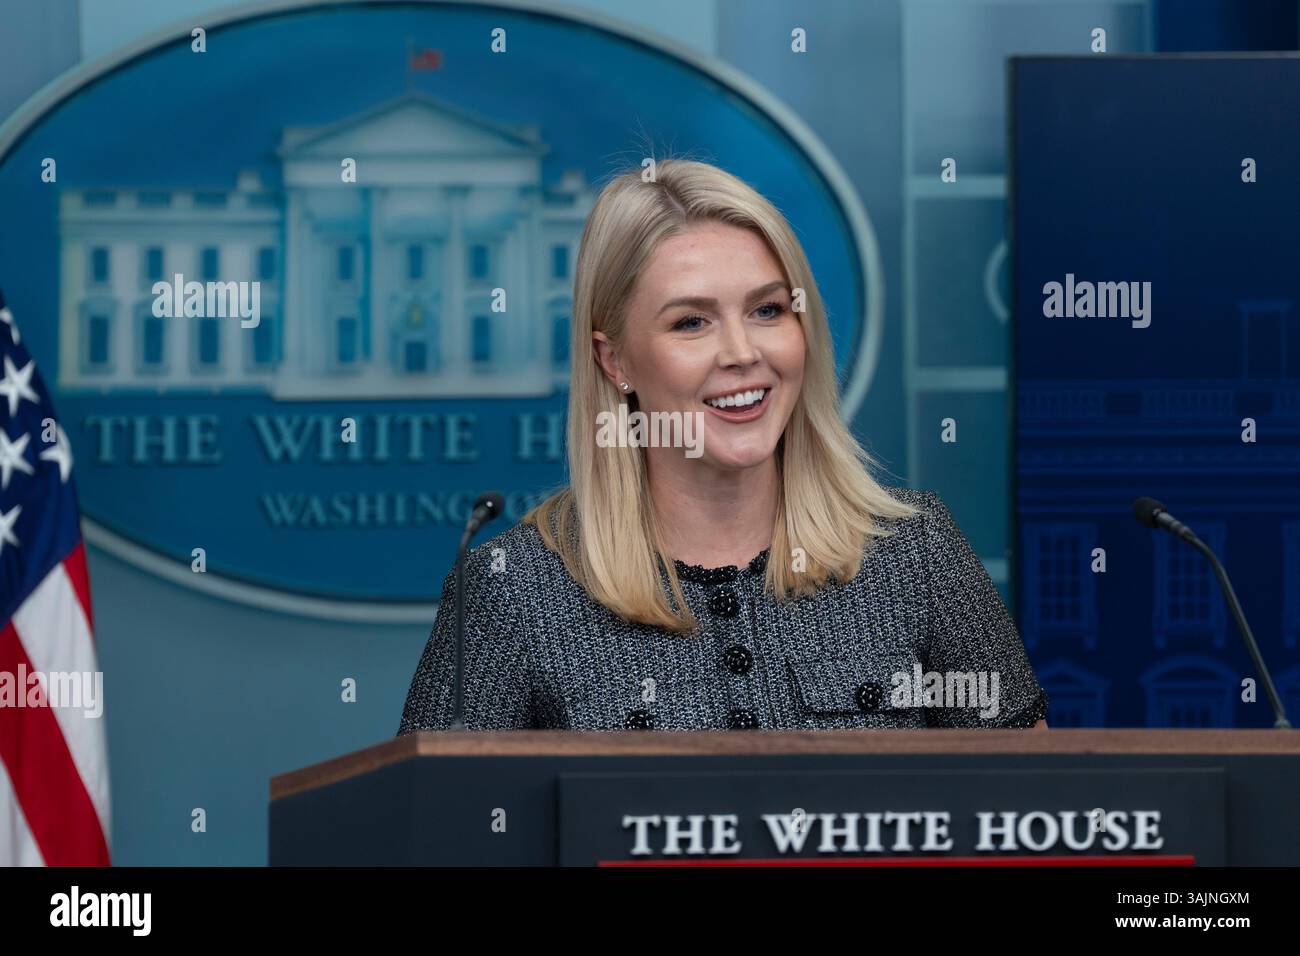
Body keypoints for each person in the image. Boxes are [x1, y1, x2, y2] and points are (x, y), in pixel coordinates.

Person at [398, 159, 1048, 732]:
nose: (743, 354)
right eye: (691, 322)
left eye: (767, 311)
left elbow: (1035, 817)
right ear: (615, 359)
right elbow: (435, 831)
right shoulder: (512, 589)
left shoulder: (918, 552)